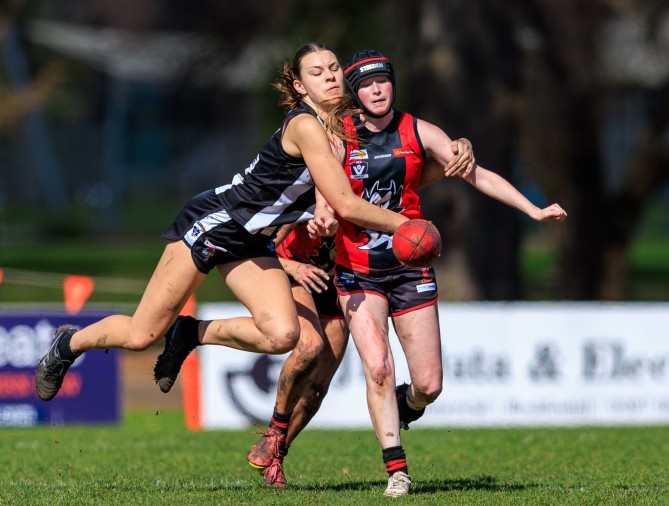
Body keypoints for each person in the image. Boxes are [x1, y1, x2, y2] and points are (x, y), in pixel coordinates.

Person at [33, 43, 409, 403]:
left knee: (282, 334)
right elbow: (346, 201)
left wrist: (453, 155)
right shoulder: (306, 126)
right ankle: (67, 345)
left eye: (332, 68)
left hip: (252, 239)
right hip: (215, 224)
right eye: (316, 72)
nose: (329, 76)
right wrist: (404, 225)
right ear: (299, 86)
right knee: (140, 335)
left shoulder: (342, 128)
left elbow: (361, 179)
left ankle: (190, 333)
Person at [331, 49, 567, 497]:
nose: (376, 89)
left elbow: (476, 174)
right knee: (378, 365)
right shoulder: (337, 136)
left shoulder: (418, 130)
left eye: (382, 80)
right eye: (365, 84)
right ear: (353, 92)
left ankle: (406, 405)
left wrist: (533, 210)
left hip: (410, 268)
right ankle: (396, 471)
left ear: (392, 83)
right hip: (358, 269)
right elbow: (322, 188)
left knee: (429, 384)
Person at [245, 140, 475, 489]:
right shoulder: (306, 193)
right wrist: (293, 266)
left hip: (341, 283)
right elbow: (258, 247)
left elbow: (426, 171)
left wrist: (461, 147)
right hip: (301, 278)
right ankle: (273, 432)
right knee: (309, 350)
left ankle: (278, 452)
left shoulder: (371, 198)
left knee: (319, 386)